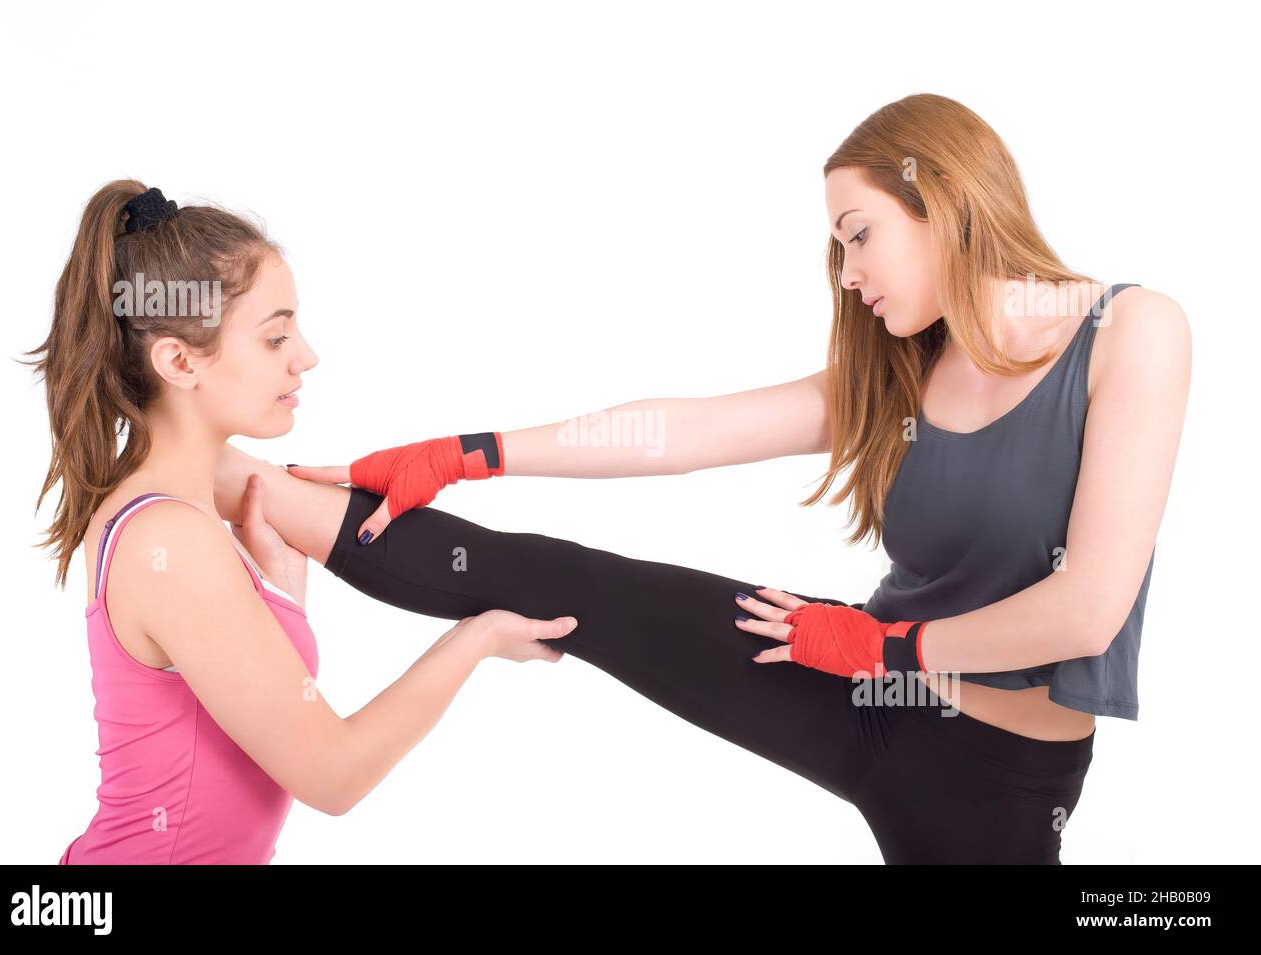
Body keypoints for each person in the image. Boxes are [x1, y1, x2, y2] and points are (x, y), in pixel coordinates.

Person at [214, 93, 1191, 863]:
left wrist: (885, 649)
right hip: (841, 677)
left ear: (937, 197)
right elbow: (677, 434)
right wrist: (472, 453)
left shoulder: (1128, 333)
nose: (845, 271)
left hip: (997, 775)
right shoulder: (898, 369)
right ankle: (228, 477)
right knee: (566, 581)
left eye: (858, 232)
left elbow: (1086, 610)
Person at [27, 180, 575, 864]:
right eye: (275, 336)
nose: (305, 355)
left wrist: (283, 593)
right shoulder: (167, 538)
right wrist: (480, 637)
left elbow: (239, 716)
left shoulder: (170, 505)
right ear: (177, 360)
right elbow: (333, 774)